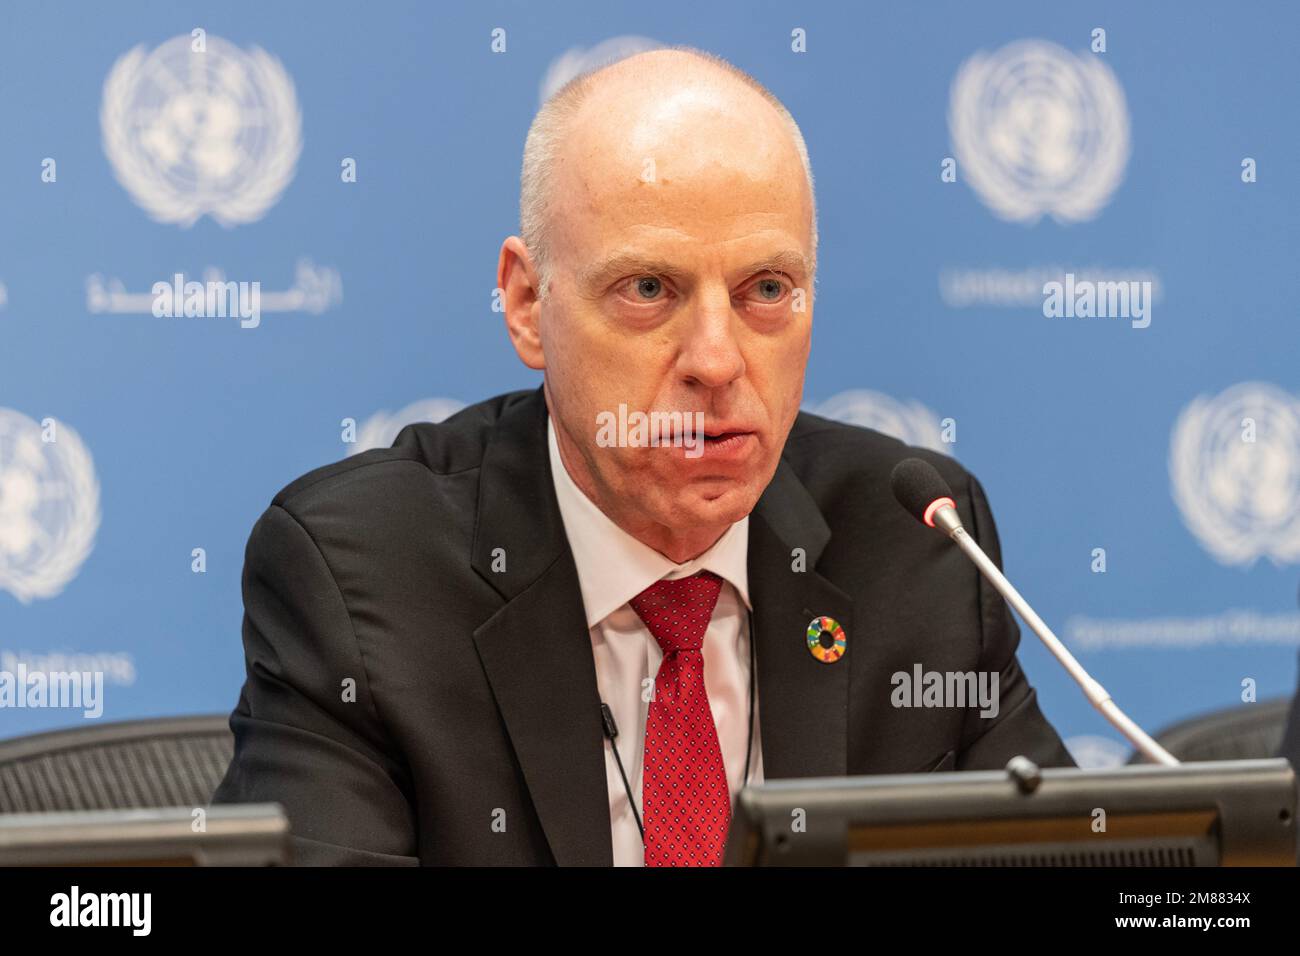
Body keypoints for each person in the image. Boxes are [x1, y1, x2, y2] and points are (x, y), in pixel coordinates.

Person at [212, 46, 1074, 866]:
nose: (717, 360)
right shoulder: (363, 577)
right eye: (649, 290)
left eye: (766, 290)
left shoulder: (915, 542)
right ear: (524, 303)